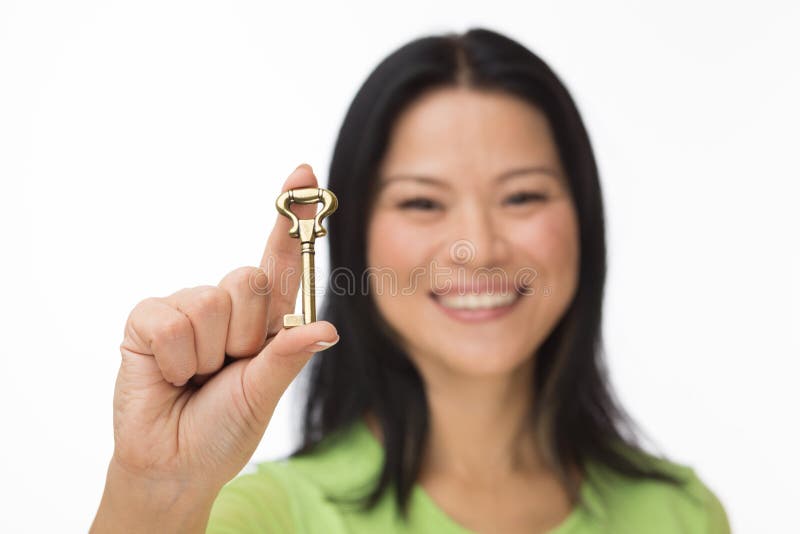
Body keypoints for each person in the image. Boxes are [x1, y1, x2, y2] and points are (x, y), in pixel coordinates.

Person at [91, 28, 731, 533]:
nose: (479, 248)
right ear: (356, 235)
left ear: (584, 218)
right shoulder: (262, 518)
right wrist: (156, 492)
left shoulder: (682, 516)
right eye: (422, 202)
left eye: (523, 196)